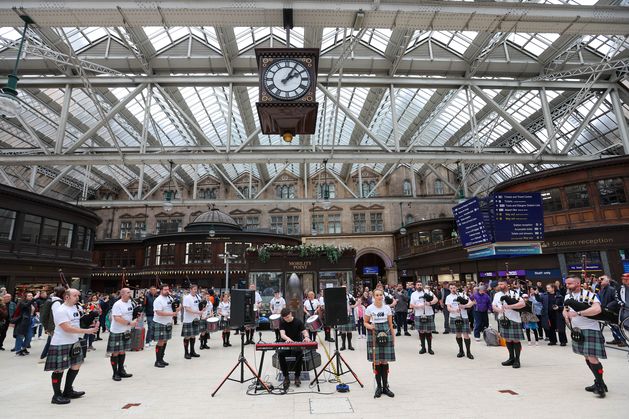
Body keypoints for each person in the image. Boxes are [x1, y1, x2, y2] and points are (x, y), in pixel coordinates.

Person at [44, 288, 98, 404]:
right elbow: (67, 328)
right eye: (75, 296)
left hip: (74, 341)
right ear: (66, 297)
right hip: (61, 342)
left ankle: (68, 390)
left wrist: (91, 318)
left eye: (78, 296)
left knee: (76, 365)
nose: (78, 298)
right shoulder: (61, 310)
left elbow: (78, 322)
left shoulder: (75, 307)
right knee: (59, 369)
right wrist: (87, 331)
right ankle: (56, 395)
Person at [563, 276, 608, 397]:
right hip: (577, 330)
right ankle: (600, 382)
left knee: (592, 358)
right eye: (566, 284)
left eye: (570, 283)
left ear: (578, 283)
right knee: (587, 358)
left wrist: (578, 313)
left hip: (590, 329)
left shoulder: (589, 294)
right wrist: (566, 316)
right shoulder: (568, 296)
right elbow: (565, 309)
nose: (567, 286)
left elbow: (597, 309)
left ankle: (600, 387)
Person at [364, 289, 395, 398]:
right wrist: (370, 326)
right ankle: (378, 387)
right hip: (374, 334)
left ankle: (386, 387)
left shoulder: (387, 308)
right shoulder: (369, 308)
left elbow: (390, 324)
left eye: (381, 295)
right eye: (377, 295)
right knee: (376, 361)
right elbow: (365, 322)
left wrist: (393, 338)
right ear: (374, 296)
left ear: (383, 296)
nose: (379, 297)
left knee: (384, 361)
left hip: (386, 333)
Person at [493, 279, 525, 368]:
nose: (500, 286)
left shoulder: (513, 293)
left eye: (502, 284)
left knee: (515, 340)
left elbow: (523, 304)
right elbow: (494, 306)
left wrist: (510, 306)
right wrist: (499, 310)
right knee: (507, 339)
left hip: (514, 319)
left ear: (507, 285)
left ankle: (517, 360)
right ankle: (511, 358)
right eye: (499, 284)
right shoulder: (497, 295)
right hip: (503, 319)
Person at [278, 307, 312, 390]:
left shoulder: (298, 321)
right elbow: (282, 334)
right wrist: (287, 339)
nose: (287, 319)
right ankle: (286, 376)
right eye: (285, 318)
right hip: (286, 344)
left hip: (297, 344)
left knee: (299, 354)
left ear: (291, 314)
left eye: (288, 317)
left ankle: (297, 376)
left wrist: (307, 337)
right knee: (280, 354)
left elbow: (304, 332)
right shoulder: (282, 322)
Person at [107, 288, 137, 381]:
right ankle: (115, 373)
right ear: (122, 294)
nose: (130, 294)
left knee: (123, 351)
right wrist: (129, 323)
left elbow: (131, 314)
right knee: (115, 352)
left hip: (126, 331)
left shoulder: (130, 303)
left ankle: (121, 370)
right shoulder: (117, 304)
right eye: (128, 293)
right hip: (117, 331)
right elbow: (117, 318)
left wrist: (136, 318)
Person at [152, 284, 180, 368]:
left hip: (168, 322)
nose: (167, 291)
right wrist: (172, 313)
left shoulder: (170, 298)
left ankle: (161, 359)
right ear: (161, 290)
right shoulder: (158, 300)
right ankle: (157, 361)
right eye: (165, 290)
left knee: (165, 341)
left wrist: (178, 308)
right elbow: (158, 312)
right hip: (160, 323)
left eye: (168, 289)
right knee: (160, 341)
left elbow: (175, 307)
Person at [445, 284, 474, 359]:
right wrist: (454, 310)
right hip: (454, 317)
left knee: (466, 335)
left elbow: (471, 303)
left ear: (456, 288)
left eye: (454, 288)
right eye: (451, 288)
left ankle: (468, 352)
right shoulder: (448, 297)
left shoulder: (463, 294)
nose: (453, 289)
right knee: (458, 334)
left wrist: (464, 306)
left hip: (464, 317)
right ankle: (461, 351)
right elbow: (448, 308)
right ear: (449, 289)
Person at [39, 286, 66, 362]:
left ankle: (44, 356)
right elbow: (56, 316)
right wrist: (47, 327)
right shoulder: (57, 302)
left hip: (53, 327)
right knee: (54, 343)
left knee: (51, 342)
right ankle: (51, 358)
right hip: (55, 327)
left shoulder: (54, 301)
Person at [410, 282, 437, 355]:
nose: (419, 286)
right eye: (418, 285)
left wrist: (429, 303)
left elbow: (436, 299)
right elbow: (411, 305)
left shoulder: (428, 291)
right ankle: (423, 348)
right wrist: (418, 306)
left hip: (428, 313)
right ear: (415, 286)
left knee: (428, 332)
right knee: (421, 332)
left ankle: (430, 348)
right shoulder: (413, 294)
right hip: (419, 314)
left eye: (420, 285)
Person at [181, 285, 203, 359]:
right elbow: (187, 309)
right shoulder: (187, 298)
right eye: (194, 289)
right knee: (187, 336)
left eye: (196, 289)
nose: (195, 290)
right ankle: (186, 353)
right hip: (188, 320)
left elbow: (200, 306)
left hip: (195, 319)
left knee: (193, 335)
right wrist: (197, 312)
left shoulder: (198, 297)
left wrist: (202, 310)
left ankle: (192, 351)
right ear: (190, 289)